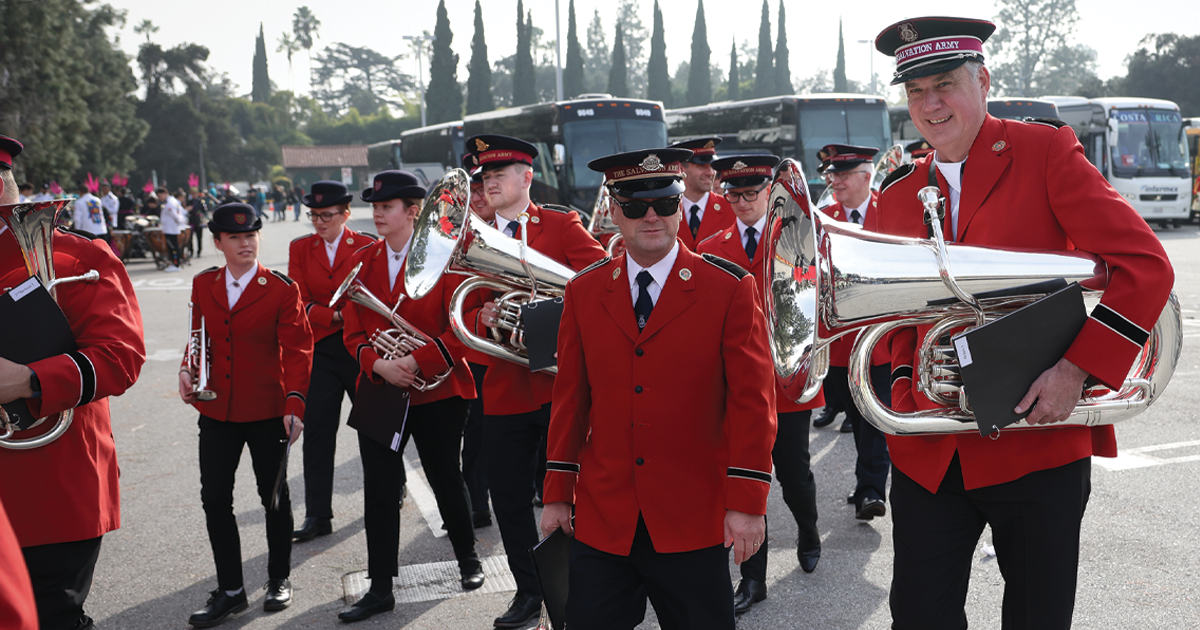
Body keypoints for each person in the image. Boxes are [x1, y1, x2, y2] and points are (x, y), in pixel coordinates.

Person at [873, 17, 1174, 629]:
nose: (931, 105)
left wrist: (1076, 369)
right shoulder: (897, 192)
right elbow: (885, 322)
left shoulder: (1043, 152)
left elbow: (1146, 267)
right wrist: (904, 391)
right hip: (931, 455)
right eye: (916, 91)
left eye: (946, 84)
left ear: (982, 81)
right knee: (918, 618)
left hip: (1038, 445)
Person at [540, 147, 775, 630]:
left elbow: (753, 402)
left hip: (692, 519)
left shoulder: (728, 288)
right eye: (635, 205)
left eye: (665, 203)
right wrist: (558, 492)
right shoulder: (584, 290)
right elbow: (570, 399)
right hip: (605, 518)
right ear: (611, 210)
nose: (652, 215)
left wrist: (748, 504)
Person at [0, 134, 146, 630]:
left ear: (6, 187)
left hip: (49, 483)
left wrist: (27, 379)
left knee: (49, 619)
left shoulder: (77, 258)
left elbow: (121, 357)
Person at [464, 134, 607, 628]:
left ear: (527, 177)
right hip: (504, 388)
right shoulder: (472, 235)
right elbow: (454, 308)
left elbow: (600, 281)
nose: (490, 183)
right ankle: (529, 591)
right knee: (506, 494)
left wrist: (549, 311)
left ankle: (581, 586)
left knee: (568, 489)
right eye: (484, 177)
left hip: (557, 388)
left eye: (499, 175)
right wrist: (482, 313)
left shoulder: (561, 224)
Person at [335, 171, 485, 623]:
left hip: (438, 388)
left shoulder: (447, 258)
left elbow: (465, 320)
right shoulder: (362, 260)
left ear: (414, 212)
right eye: (376, 207)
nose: (378, 214)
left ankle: (469, 560)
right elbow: (352, 331)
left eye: (388, 207)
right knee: (380, 489)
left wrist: (421, 360)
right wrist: (378, 364)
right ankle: (380, 587)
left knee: (445, 476)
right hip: (381, 388)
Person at [697, 154, 824, 615]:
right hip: (737, 386)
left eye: (753, 192)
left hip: (786, 381)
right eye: (734, 194)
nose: (744, 202)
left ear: (770, 192)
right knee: (748, 479)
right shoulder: (710, 245)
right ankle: (753, 580)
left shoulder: (796, 236)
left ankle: (809, 532)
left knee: (794, 475)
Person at [178, 202, 313, 628]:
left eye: (251, 236)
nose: (245, 243)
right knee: (215, 498)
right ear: (217, 243)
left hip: (267, 409)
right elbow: (198, 337)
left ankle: (278, 578)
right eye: (235, 237)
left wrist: (295, 405)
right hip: (216, 409)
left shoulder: (280, 288)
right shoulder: (204, 285)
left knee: (273, 497)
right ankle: (232, 591)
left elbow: (298, 350)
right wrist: (187, 367)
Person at [288, 181, 376, 542]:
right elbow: (298, 299)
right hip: (322, 348)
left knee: (374, 429)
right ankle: (317, 514)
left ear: (345, 215)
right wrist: (332, 317)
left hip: (360, 348)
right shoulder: (300, 248)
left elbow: (374, 295)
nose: (319, 222)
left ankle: (391, 488)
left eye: (327, 216)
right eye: (314, 216)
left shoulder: (367, 245)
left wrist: (345, 319)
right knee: (319, 433)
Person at [813, 144, 893, 520]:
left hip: (882, 341)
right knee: (856, 417)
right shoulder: (822, 217)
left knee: (874, 418)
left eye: (843, 174)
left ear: (867, 176)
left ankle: (871, 490)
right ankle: (868, 480)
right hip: (839, 344)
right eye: (832, 174)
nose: (835, 181)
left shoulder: (890, 210)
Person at [461, 154, 497, 529]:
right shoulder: (459, 237)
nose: (481, 193)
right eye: (473, 188)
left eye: (485, 185)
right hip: (481, 352)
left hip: (531, 347)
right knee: (477, 433)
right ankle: (477, 501)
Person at [666, 137, 735, 250]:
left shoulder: (731, 208)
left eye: (712, 166)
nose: (710, 173)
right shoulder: (664, 210)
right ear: (682, 169)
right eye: (701, 166)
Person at [157, 187, 187, 271]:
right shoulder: (173, 201)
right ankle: (175, 263)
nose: (160, 198)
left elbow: (175, 215)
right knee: (173, 247)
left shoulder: (170, 203)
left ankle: (176, 264)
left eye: (160, 196)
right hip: (170, 228)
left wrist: (180, 222)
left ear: (164, 193)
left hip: (171, 229)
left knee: (173, 248)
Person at [187, 189, 208, 259]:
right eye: (192, 193)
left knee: (199, 237)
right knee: (190, 238)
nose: (194, 195)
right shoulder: (189, 202)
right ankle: (191, 251)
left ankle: (199, 251)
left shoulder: (201, 202)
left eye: (195, 193)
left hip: (199, 221)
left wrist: (201, 214)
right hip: (191, 221)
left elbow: (204, 211)